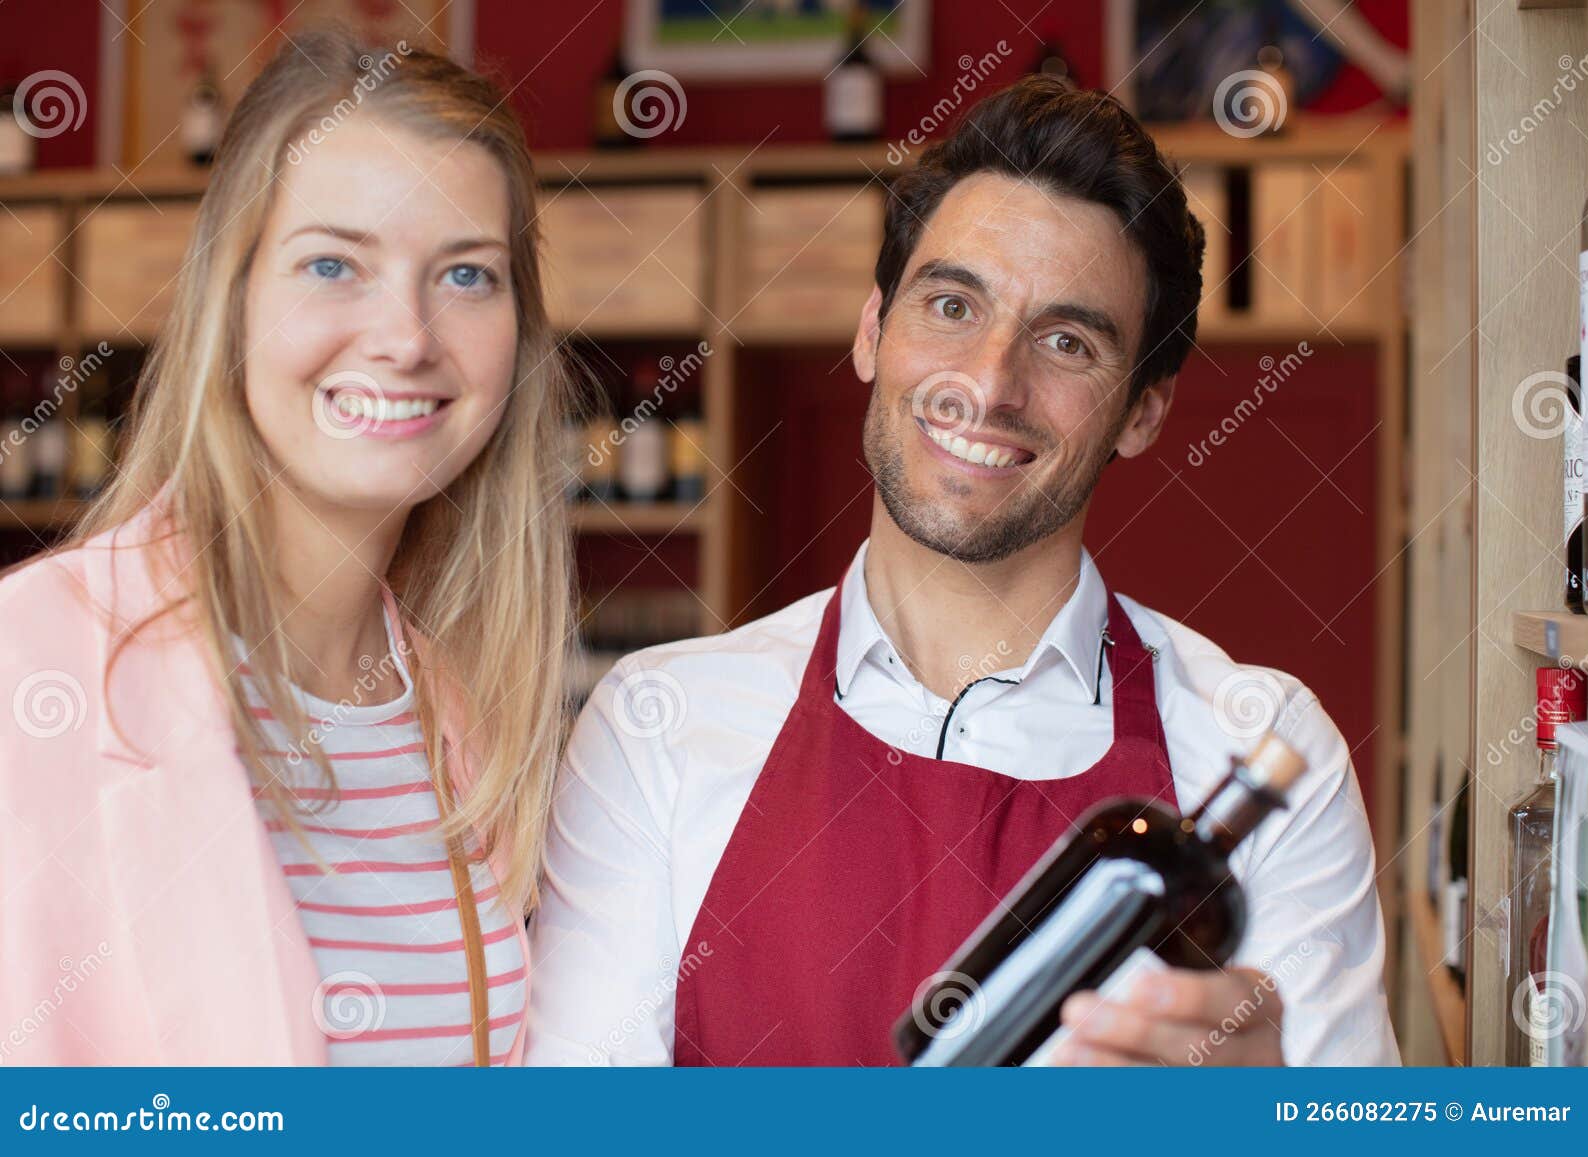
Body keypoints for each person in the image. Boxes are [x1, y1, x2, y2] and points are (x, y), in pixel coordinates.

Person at [528, 76, 1400, 1067]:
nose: (989, 382)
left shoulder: (1260, 746)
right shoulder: (659, 728)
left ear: (1145, 410)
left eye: (1066, 341)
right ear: (872, 331)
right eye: (951, 304)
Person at [0, 28, 575, 1065]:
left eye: (467, 275)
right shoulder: (29, 663)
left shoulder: (476, 722)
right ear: (233, 300)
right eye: (332, 263)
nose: (406, 335)